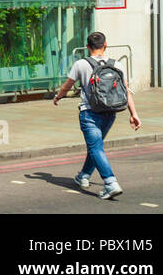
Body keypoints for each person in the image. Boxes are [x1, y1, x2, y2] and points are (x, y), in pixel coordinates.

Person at [54, 31, 142, 200]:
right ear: (105, 45)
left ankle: (110, 183)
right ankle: (84, 175)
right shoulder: (116, 64)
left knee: (95, 147)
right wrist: (134, 114)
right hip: (110, 112)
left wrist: (58, 97)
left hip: (89, 112)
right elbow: (126, 91)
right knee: (95, 146)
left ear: (87, 47)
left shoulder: (81, 64)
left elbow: (67, 86)